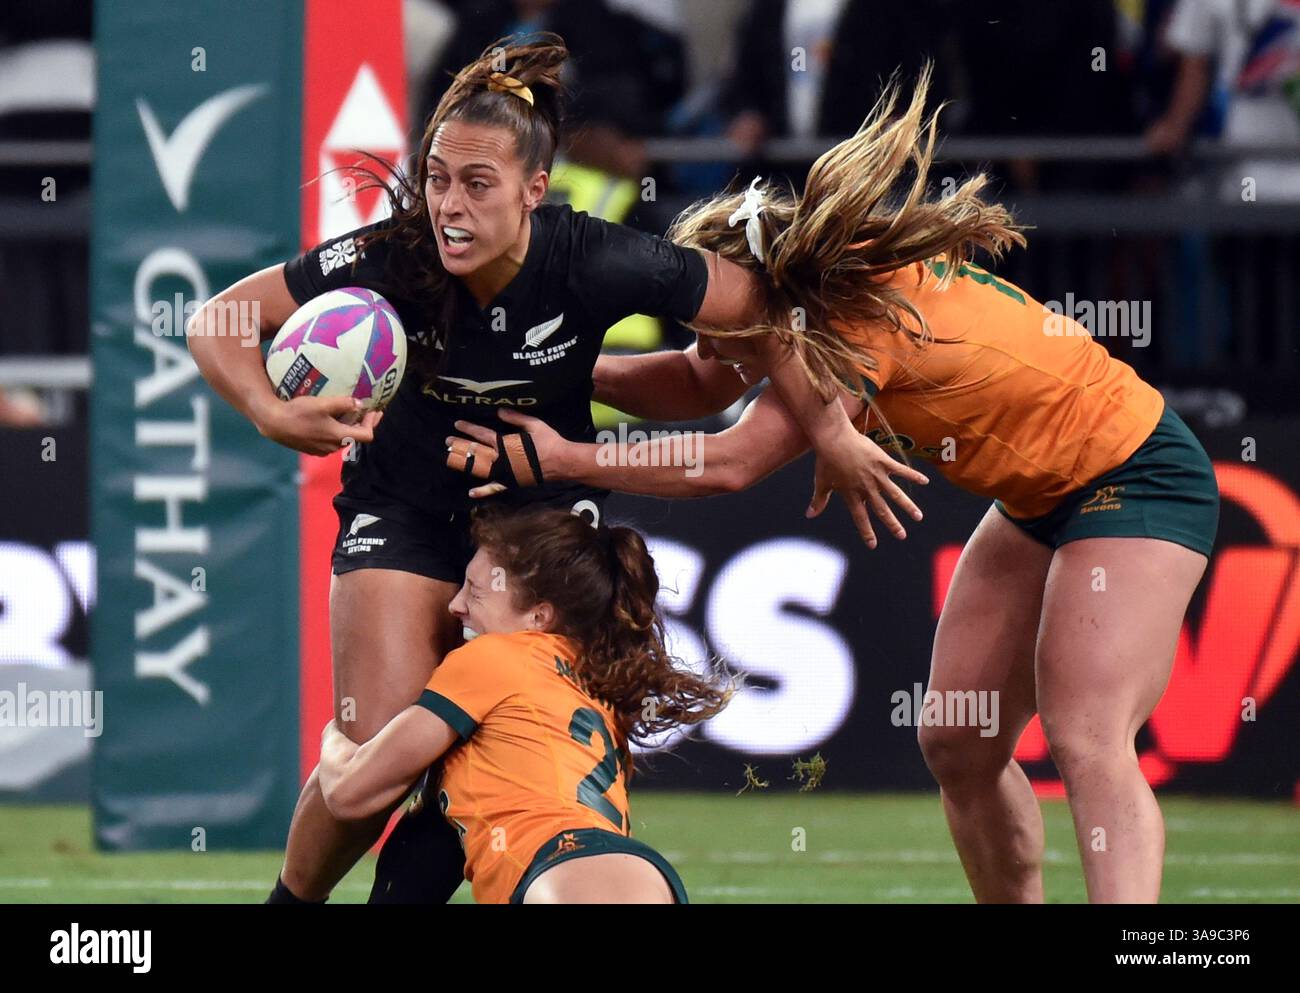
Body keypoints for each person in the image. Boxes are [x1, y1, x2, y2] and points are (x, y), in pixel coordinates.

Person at [447, 68, 1220, 903]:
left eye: (728, 337)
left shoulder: (850, 324)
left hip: (1136, 471)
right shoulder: (807, 302)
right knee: (958, 744)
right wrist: (557, 368)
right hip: (1040, 499)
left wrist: (564, 457)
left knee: (1087, 731)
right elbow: (695, 382)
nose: (722, 358)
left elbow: (733, 459)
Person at [186, 32, 893, 905]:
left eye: (476, 185)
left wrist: (831, 431)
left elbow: (760, 308)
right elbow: (216, 319)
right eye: (438, 177)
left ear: (534, 190)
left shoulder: (595, 257)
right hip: (402, 504)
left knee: (506, 746)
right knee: (371, 763)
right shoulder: (397, 253)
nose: (447, 206)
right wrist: (269, 410)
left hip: (537, 515)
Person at [319, 506, 728, 903]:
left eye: (475, 592)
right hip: (633, 873)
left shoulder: (490, 658)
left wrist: (337, 735)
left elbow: (348, 795)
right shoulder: (597, 681)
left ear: (538, 617)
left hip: (561, 871)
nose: (455, 605)